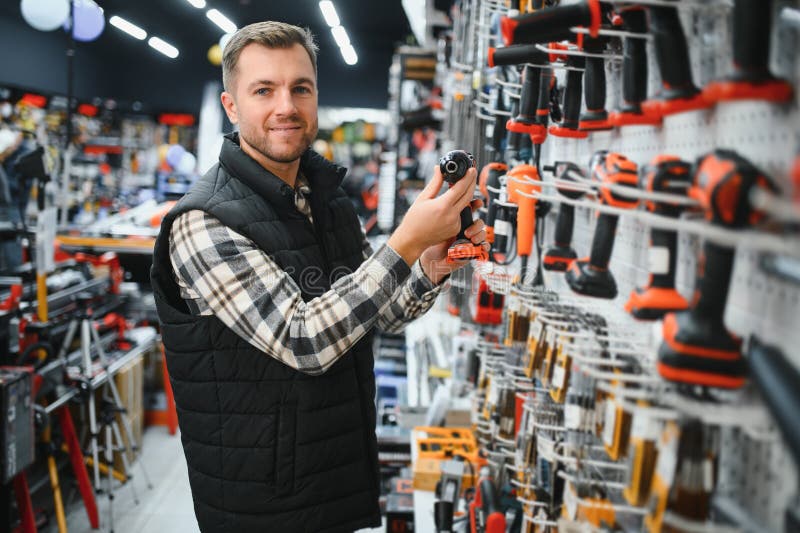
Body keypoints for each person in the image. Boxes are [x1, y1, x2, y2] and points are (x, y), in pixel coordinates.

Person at [151, 21, 487, 533]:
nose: (286, 106)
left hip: (335, 481)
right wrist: (405, 241)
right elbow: (304, 340)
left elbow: (380, 315)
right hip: (265, 506)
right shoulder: (203, 222)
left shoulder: (326, 199)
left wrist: (430, 264)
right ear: (231, 107)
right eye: (264, 90)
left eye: (300, 88)